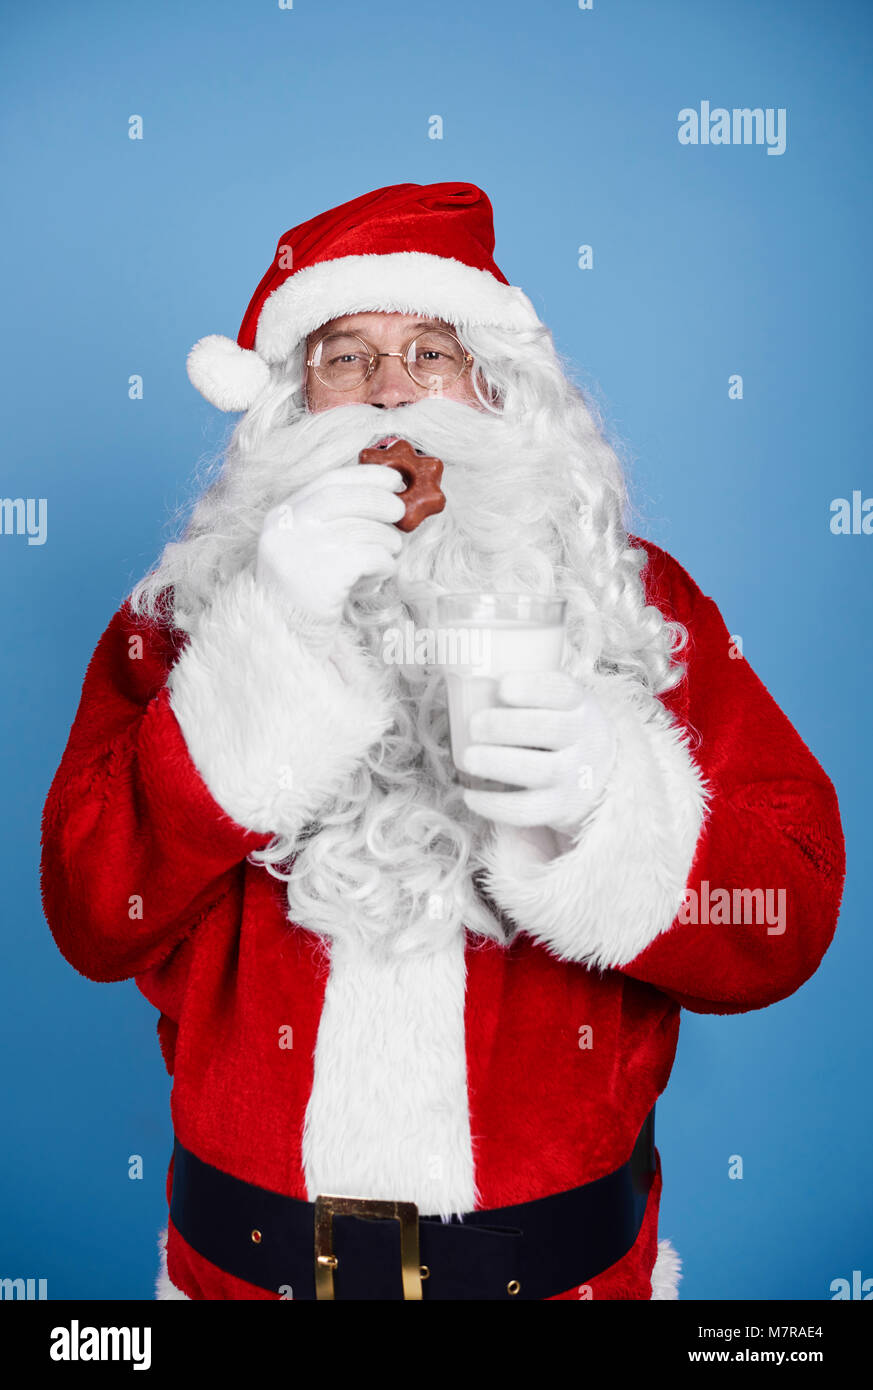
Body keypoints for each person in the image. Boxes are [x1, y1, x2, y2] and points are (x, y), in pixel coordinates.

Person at [40, 181, 846, 1301]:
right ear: (291, 405)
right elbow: (90, 912)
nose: (388, 397)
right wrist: (258, 649)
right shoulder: (183, 615)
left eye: (430, 352)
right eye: (343, 357)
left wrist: (614, 801)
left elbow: (788, 914)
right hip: (245, 1281)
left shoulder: (633, 599)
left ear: (495, 388)